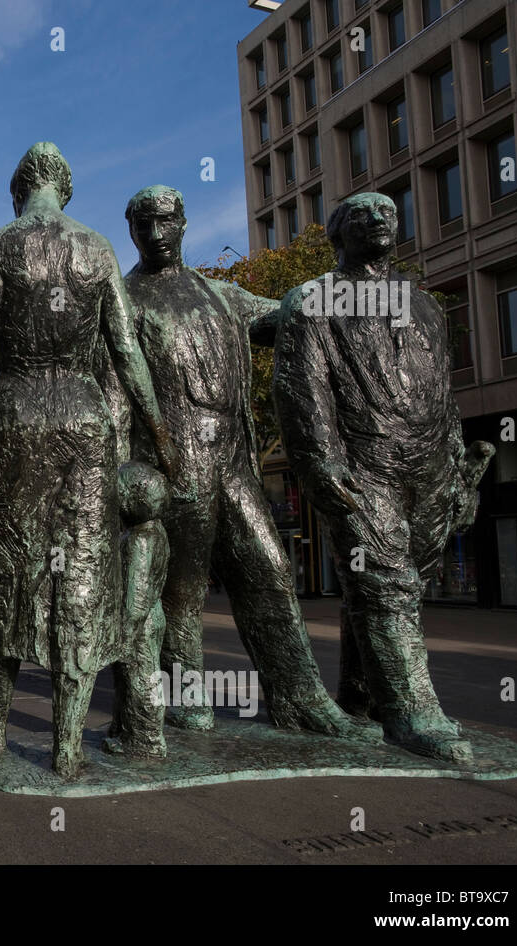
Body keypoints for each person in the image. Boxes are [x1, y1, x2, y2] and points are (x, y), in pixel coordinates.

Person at [117, 184, 375, 742]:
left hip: (234, 466)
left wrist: (351, 284)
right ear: (131, 231)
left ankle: (300, 698)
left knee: (270, 571)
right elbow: (114, 394)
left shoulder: (221, 296)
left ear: (183, 222)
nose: (156, 234)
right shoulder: (122, 300)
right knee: (180, 593)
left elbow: (290, 314)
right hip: (169, 463)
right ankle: (188, 704)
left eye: (164, 220)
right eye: (143, 224)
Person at [0, 143, 178, 779]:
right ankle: (67, 748)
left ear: (19, 190)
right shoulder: (99, 249)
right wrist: (157, 434)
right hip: (84, 422)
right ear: (65, 190)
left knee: (6, 571)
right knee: (79, 573)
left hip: (15, 416)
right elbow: (128, 355)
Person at [273, 192, 494, 762]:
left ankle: (362, 698)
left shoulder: (423, 306)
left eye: (388, 212)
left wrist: (456, 468)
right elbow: (303, 391)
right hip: (360, 467)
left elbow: (444, 394)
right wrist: (321, 463)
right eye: (361, 213)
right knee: (386, 585)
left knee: (391, 586)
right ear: (337, 234)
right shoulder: (312, 302)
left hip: (425, 468)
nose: (378, 219)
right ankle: (413, 713)